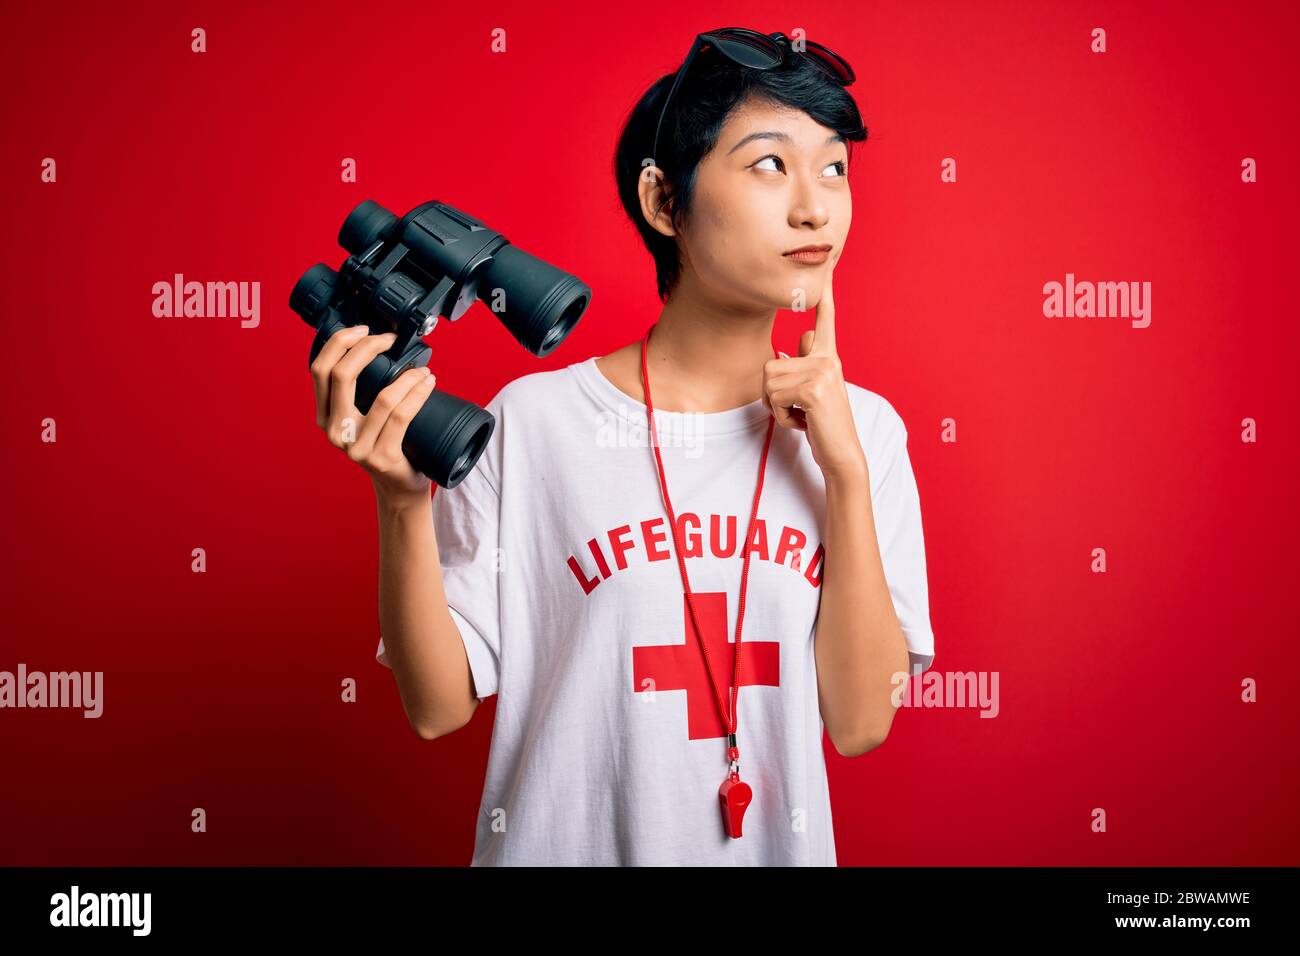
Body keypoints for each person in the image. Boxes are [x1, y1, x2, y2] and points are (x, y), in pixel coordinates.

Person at [309, 28, 935, 866]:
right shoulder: (533, 422)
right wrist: (399, 500)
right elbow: (437, 706)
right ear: (662, 202)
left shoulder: (869, 434)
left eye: (834, 168)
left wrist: (846, 475)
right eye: (769, 165)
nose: (814, 207)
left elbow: (860, 724)